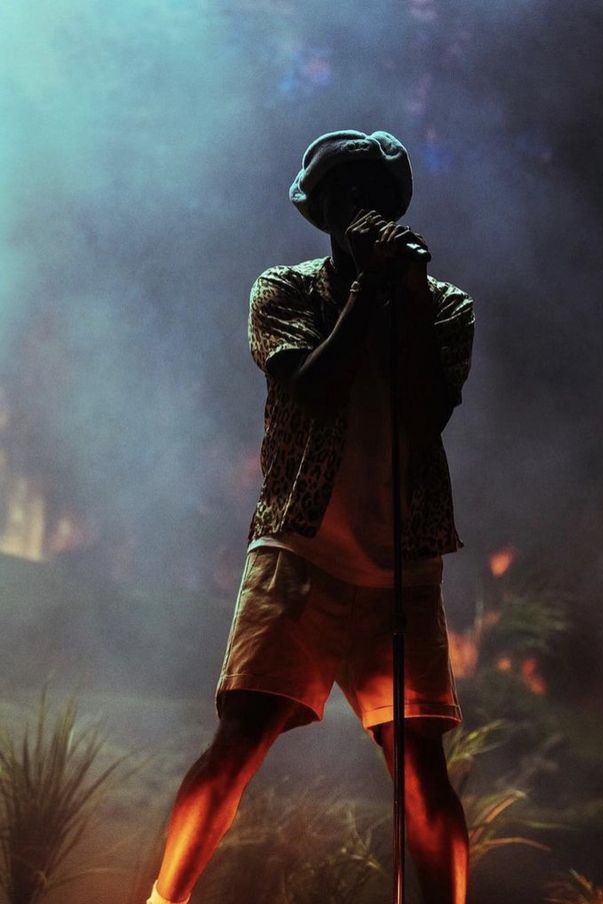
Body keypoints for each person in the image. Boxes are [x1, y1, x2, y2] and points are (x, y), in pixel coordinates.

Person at [146, 129, 475, 904]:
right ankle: (164, 902)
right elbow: (310, 386)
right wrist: (364, 292)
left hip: (402, 569)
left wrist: (408, 293)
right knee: (239, 742)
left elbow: (428, 413)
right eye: (340, 194)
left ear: (390, 208)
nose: (356, 207)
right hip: (298, 555)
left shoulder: (445, 307)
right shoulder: (282, 290)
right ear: (319, 209)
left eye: (369, 194)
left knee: (421, 764)